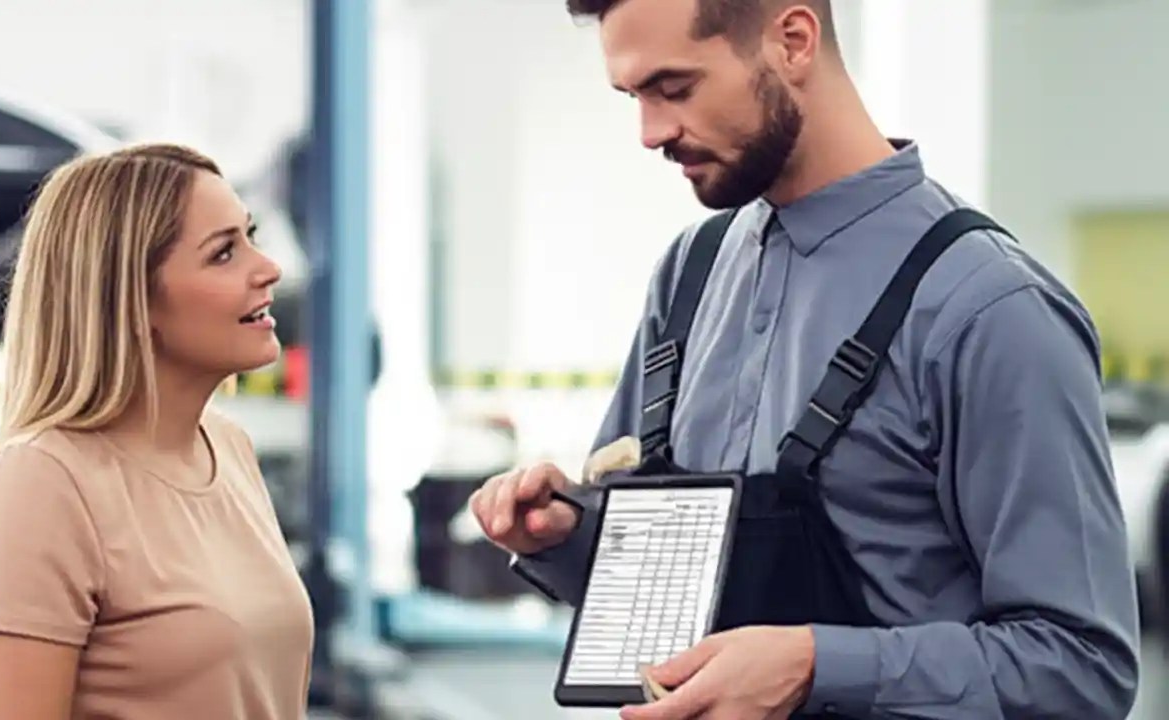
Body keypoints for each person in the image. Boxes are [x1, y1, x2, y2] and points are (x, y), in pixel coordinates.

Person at [468, 1, 1140, 719]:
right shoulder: (689, 277)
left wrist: (817, 666)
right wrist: (568, 535)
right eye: (634, 97)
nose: (650, 132)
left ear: (792, 42)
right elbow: (661, 590)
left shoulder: (992, 311)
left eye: (675, 88)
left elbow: (1081, 668)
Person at [0, 143, 316, 720]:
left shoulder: (229, 448)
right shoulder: (38, 484)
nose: (268, 268)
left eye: (251, 236)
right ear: (131, 300)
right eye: (223, 254)